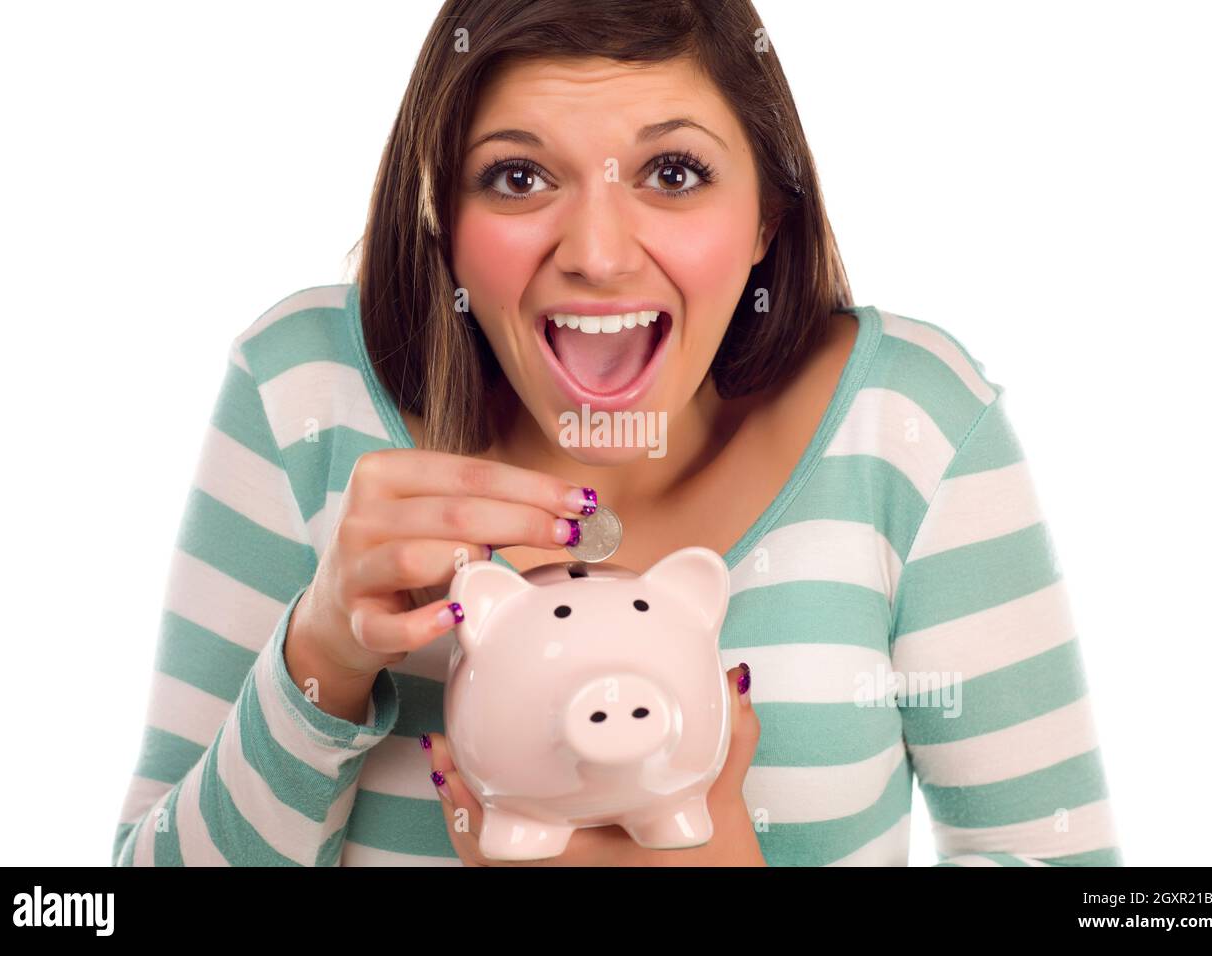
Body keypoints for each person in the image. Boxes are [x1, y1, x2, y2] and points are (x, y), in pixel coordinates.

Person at [112, 0, 1121, 866]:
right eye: (517, 178)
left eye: (673, 172)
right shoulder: (306, 390)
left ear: (768, 212)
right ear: (441, 220)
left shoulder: (908, 425)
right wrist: (320, 654)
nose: (597, 256)